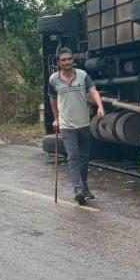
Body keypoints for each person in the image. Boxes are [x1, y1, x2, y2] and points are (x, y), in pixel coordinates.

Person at [48, 47, 105, 204]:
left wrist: (100, 106)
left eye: (69, 59)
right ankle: (78, 189)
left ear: (73, 60)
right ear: (58, 63)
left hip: (83, 123)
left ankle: (84, 186)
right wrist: (56, 118)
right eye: (63, 60)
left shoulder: (83, 75)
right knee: (73, 157)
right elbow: (53, 99)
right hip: (67, 125)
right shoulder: (53, 79)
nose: (67, 62)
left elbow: (93, 91)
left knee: (84, 158)